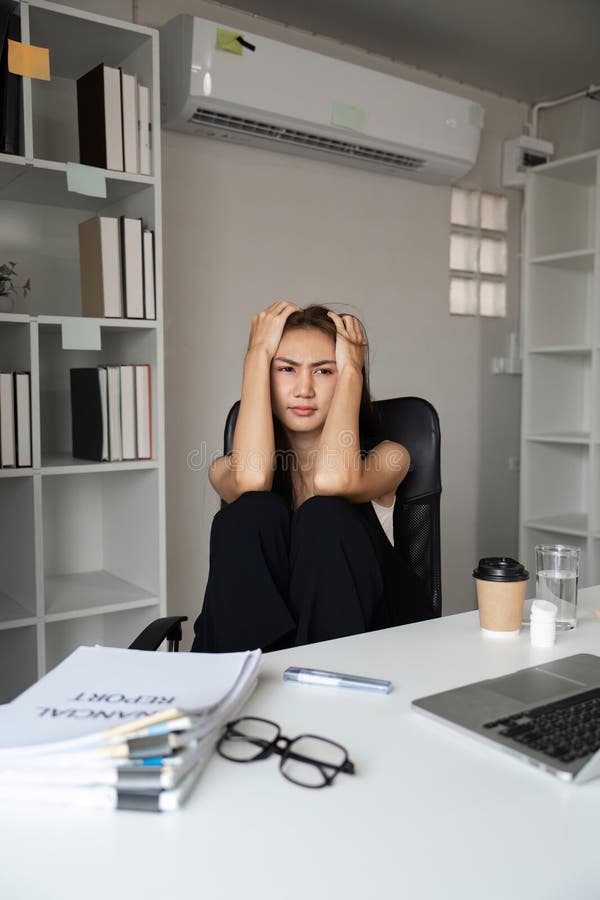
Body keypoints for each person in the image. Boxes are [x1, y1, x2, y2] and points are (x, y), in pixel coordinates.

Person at [192, 301, 428, 653]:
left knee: (325, 514)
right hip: (264, 656)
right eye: (286, 369)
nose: (304, 389)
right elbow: (254, 479)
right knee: (252, 512)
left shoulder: (388, 457)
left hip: (367, 643)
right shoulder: (227, 470)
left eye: (323, 371)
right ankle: (236, 686)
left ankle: (324, 690)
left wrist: (352, 372)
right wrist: (256, 353)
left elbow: (333, 481)